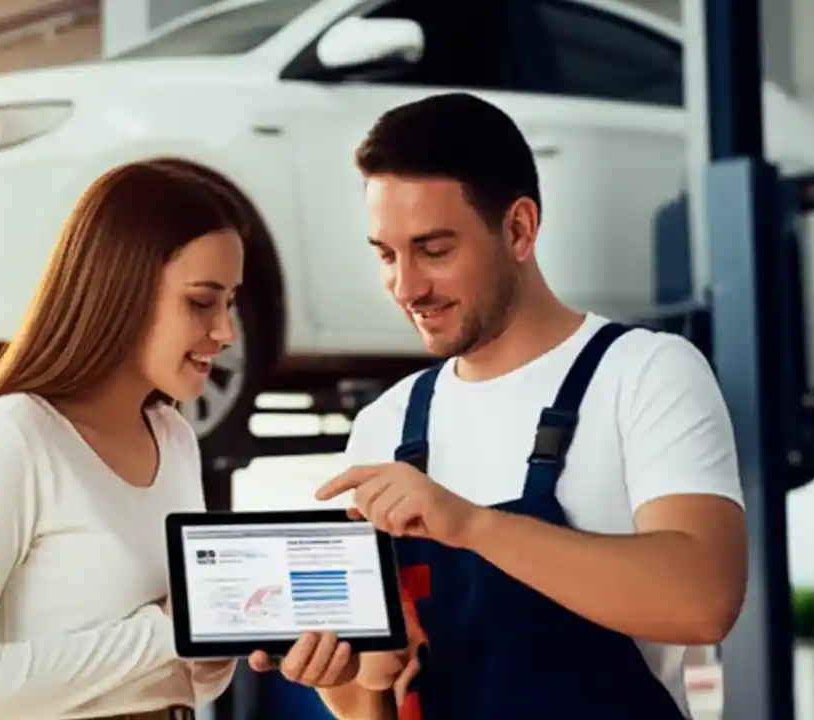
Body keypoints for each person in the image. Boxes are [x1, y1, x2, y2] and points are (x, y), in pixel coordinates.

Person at [249, 93, 748, 719]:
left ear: (518, 228)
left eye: (434, 250)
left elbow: (703, 600)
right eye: (385, 253)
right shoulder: (387, 426)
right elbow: (368, 707)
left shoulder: (643, 372)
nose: (407, 287)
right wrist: (354, 674)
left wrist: (471, 525)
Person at [0, 160, 246, 720]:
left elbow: (187, 682)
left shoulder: (176, 440)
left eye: (231, 302)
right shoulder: (16, 436)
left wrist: (224, 637)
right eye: (202, 301)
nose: (225, 330)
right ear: (121, 289)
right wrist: (167, 633)